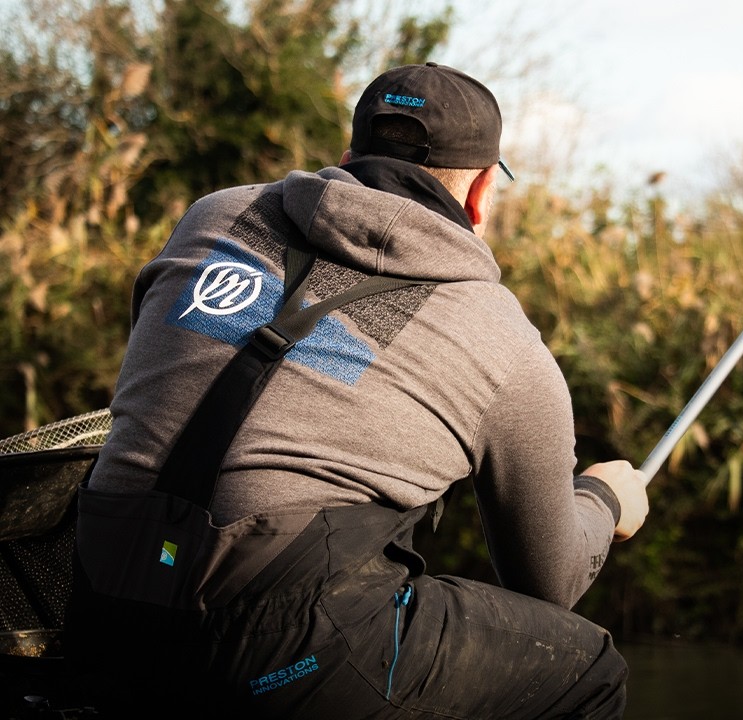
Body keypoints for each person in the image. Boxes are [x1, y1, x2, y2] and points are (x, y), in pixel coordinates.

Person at [70, 63, 649, 719]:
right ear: (483, 192)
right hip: (277, 654)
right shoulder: (504, 340)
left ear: (348, 157)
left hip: (100, 605)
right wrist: (604, 499)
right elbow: (548, 583)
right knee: (589, 668)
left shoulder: (216, 216)